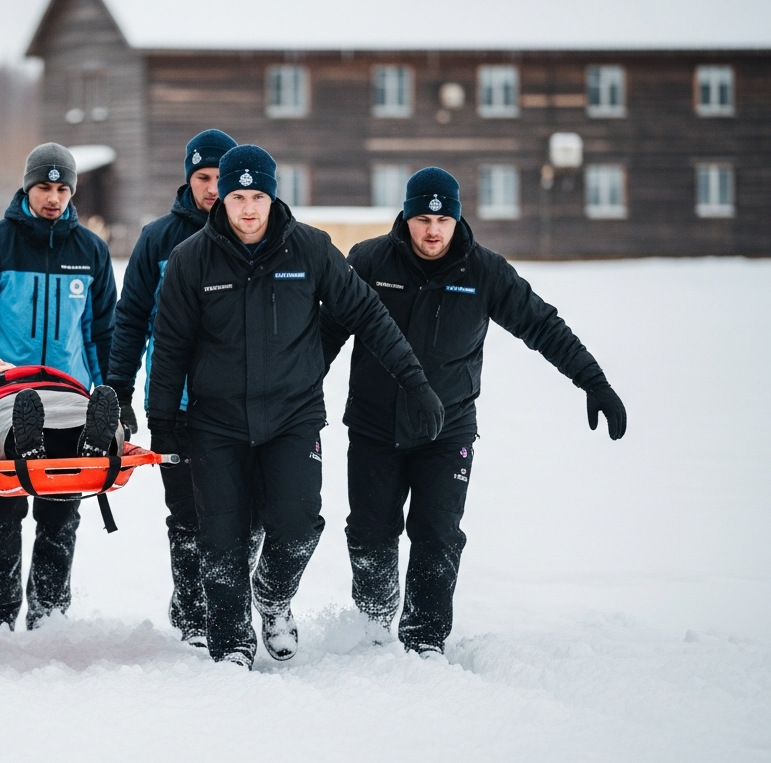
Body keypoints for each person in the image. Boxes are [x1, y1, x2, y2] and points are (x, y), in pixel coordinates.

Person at [147, 145, 444, 669]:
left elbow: (369, 316)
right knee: (221, 540)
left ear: (272, 196)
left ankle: (273, 595)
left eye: (256, 196)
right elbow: (169, 347)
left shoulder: (310, 249)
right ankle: (233, 642)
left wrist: (415, 382)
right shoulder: (193, 258)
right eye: (236, 197)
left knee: (299, 524)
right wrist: (163, 424)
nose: (246, 208)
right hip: (215, 422)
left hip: (292, 415)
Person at [319, 167, 627, 657]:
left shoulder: (485, 271)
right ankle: (375, 623)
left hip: (448, 428)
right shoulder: (370, 260)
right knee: (370, 533)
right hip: (376, 426)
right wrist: (288, 392)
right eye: (422, 218)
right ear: (407, 216)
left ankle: (424, 638)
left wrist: (594, 381)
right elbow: (324, 337)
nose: (432, 230)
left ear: (457, 218)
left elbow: (542, 326)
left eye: (442, 220)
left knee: (438, 534)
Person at [0, 143, 117, 631]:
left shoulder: (91, 250)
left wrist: (111, 395)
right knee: (2, 512)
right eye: (45, 187)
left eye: (63, 189)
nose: (54, 198)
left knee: (61, 513)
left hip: (67, 401)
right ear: (27, 187)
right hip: (2, 402)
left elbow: (101, 332)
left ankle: (50, 618)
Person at [107, 128, 253, 647]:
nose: (213, 189)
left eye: (221, 178)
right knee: (188, 514)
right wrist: (117, 393)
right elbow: (130, 320)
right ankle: (193, 611)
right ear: (188, 179)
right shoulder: (157, 239)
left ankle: (236, 605)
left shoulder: (252, 236)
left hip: (241, 405)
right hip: (179, 404)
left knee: (245, 514)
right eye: (203, 178)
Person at [0, 358, 123, 461]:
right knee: (5, 419)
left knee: (78, 409)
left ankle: (27, 449)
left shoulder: (37, 380)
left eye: (3, 362)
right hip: (1, 404)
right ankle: (98, 447)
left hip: (64, 400)